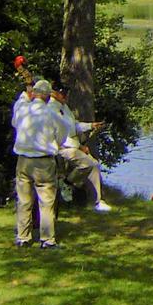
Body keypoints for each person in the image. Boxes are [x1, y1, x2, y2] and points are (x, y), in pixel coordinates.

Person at [11, 78, 71, 248]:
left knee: (24, 200)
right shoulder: (51, 114)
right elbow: (63, 134)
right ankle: (47, 240)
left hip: (23, 160)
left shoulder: (22, 109)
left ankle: (23, 237)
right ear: (46, 96)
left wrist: (26, 90)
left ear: (33, 93)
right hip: (43, 162)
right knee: (46, 201)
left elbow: (16, 117)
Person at [49, 84, 111, 212]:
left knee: (94, 164)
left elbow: (74, 125)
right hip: (61, 146)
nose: (65, 95)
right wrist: (80, 146)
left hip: (72, 143)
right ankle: (67, 183)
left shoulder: (64, 107)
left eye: (66, 92)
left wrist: (90, 126)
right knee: (88, 163)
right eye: (62, 93)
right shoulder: (51, 108)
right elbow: (60, 136)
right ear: (54, 93)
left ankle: (97, 201)